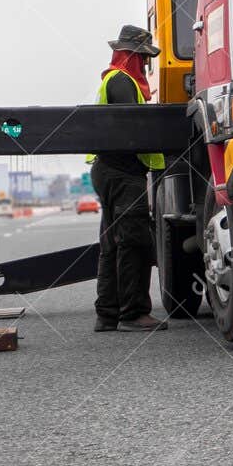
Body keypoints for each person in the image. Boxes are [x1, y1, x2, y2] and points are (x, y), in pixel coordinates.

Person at [88, 24, 167, 333]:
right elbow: (132, 129)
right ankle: (133, 312)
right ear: (133, 56)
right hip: (123, 173)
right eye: (143, 58)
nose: (146, 65)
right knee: (134, 241)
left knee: (111, 243)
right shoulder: (122, 82)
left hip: (108, 170)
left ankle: (107, 314)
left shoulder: (112, 79)